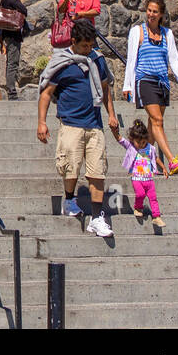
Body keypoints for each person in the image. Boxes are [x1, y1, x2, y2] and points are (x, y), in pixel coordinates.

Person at [37, 17, 122, 238]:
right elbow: (46, 94)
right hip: (71, 123)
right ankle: (68, 199)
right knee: (70, 167)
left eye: (91, 45)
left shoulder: (98, 60)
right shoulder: (62, 62)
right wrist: (42, 122)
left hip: (95, 124)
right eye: (84, 45)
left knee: (97, 171)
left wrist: (112, 114)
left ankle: (96, 218)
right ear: (73, 41)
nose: (88, 49)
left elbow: (105, 90)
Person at [122, 0, 178, 173]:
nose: (151, 14)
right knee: (157, 120)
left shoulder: (167, 34)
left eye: (155, 12)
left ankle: (143, 161)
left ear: (161, 14)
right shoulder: (138, 32)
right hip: (145, 80)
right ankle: (171, 159)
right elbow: (131, 60)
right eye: (149, 10)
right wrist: (127, 85)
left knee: (154, 124)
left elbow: (174, 59)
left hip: (162, 82)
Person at [119, 118, 167, 227]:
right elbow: (121, 140)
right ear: (132, 140)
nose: (141, 145)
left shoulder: (150, 148)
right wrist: (115, 132)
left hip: (149, 179)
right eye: (138, 142)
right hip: (137, 179)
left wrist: (163, 167)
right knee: (140, 194)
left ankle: (157, 216)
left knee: (153, 198)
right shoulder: (131, 147)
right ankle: (138, 207)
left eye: (144, 142)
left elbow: (156, 158)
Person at [0, 0, 30, 100]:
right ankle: (11, 92)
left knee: (11, 62)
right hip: (12, 35)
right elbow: (24, 9)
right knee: (12, 63)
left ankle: (11, 90)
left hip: (7, 35)